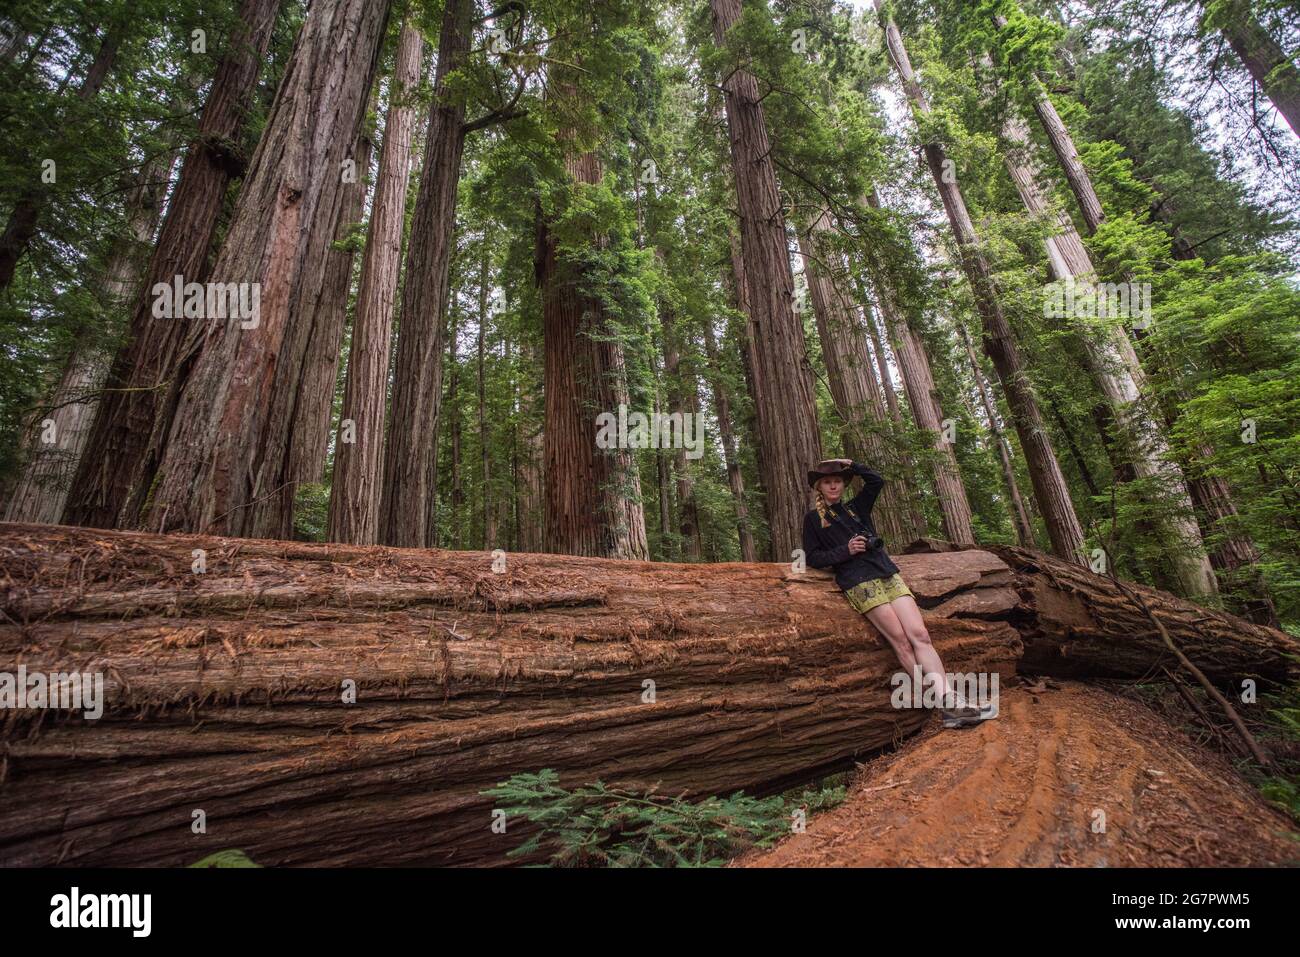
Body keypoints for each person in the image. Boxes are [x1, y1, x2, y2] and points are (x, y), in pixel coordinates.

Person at [801, 458, 995, 729]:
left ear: (843, 485)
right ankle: (944, 707)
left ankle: (951, 698)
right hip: (859, 582)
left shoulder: (856, 508)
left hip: (886, 573)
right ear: (819, 487)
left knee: (921, 635)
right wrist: (846, 550)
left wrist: (853, 465)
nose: (833, 486)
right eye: (827, 482)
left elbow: (876, 481)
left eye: (837, 481)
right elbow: (812, 558)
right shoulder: (813, 520)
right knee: (902, 641)